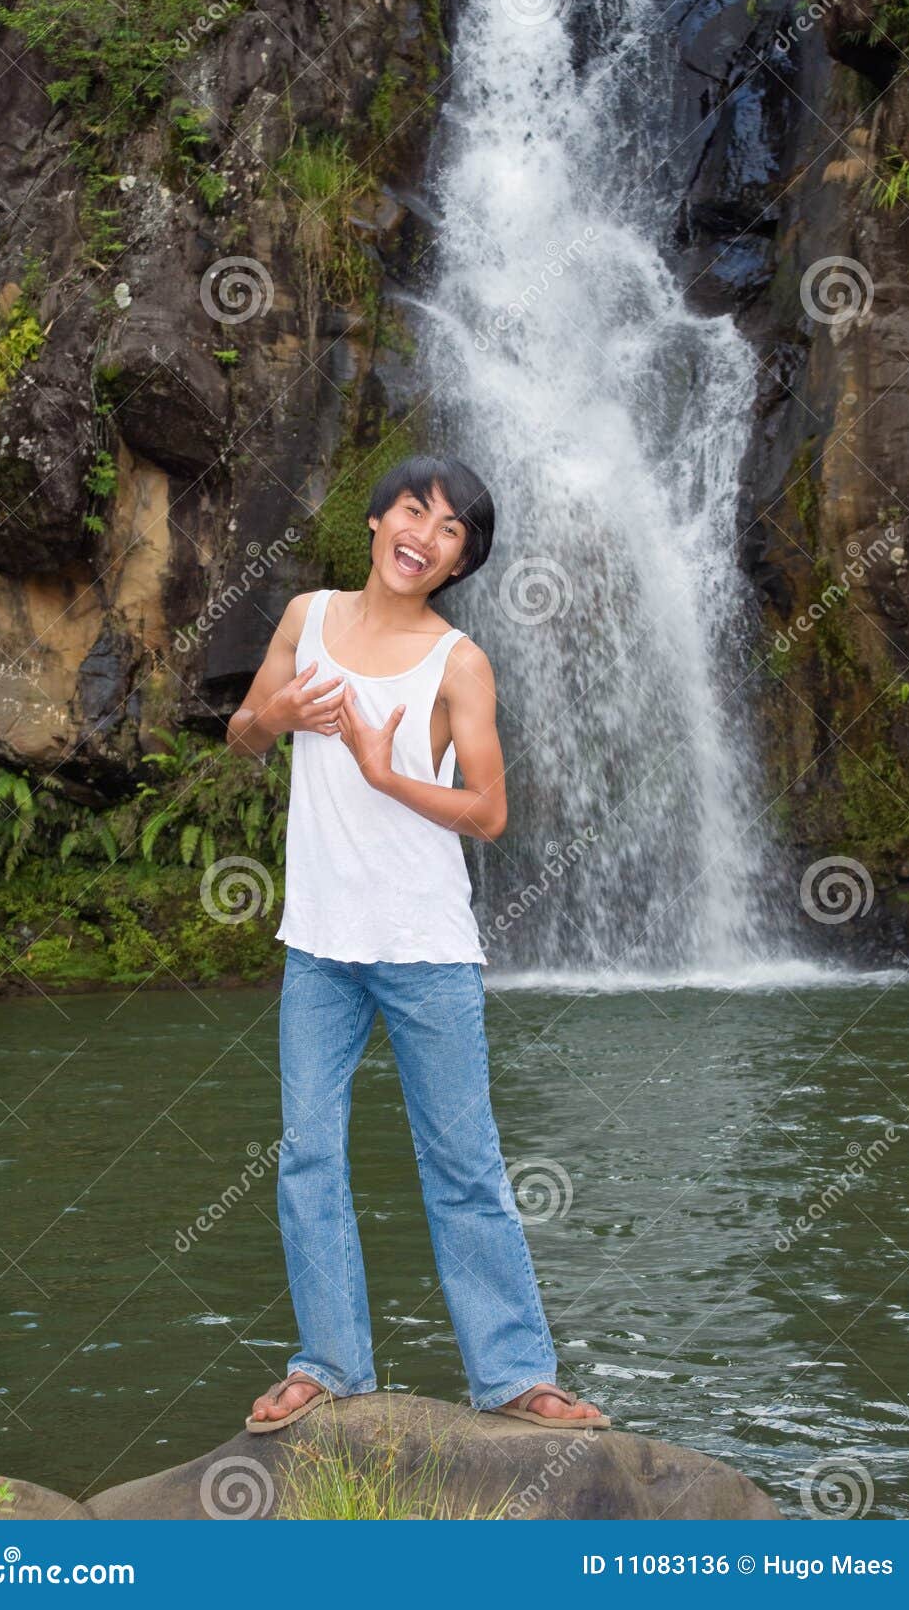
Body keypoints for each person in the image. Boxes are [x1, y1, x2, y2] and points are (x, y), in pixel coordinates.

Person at [226, 454, 608, 1433]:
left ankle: (517, 1375)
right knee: (307, 1157)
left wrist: (380, 768)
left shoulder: (459, 662)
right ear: (376, 518)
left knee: (464, 1164)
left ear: (457, 561)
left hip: (427, 945)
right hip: (318, 941)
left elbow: (488, 811)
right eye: (414, 510)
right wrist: (277, 711)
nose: (425, 534)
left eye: (452, 531)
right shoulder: (307, 619)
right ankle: (329, 1366)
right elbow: (243, 733)